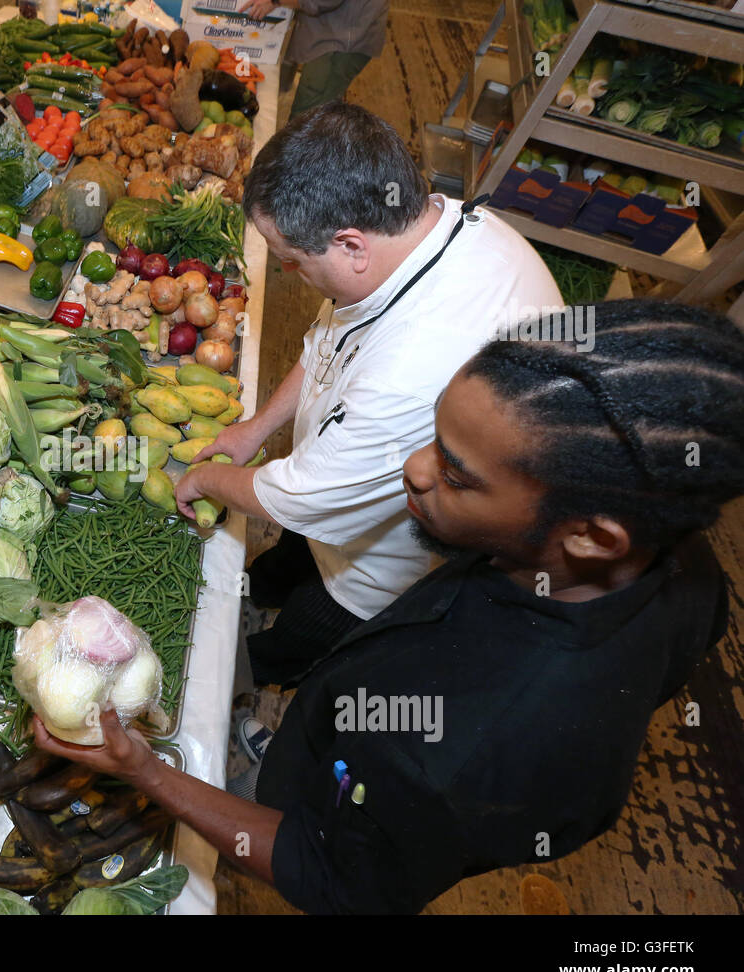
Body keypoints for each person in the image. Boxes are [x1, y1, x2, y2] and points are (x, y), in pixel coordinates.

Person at [40, 300, 742, 913]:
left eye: (457, 473)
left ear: (590, 536)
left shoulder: (464, 753)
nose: (415, 467)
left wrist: (147, 772)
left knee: (305, 795)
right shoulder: (679, 557)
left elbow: (324, 871)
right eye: (436, 437)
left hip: (354, 803)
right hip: (369, 746)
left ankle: (270, 768)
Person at [174, 102, 560, 686]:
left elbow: (303, 497)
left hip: (379, 571)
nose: (289, 275)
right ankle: (264, 595)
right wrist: (257, 428)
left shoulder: (415, 365)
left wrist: (202, 480)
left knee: (300, 644)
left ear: (351, 245)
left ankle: (259, 697)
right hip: (338, 496)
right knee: (282, 566)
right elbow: (331, 340)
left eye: (294, 263)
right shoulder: (423, 224)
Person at [238, 0, 387, 118]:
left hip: (341, 38)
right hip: (325, 26)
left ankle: (297, 154)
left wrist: (274, 1)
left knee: (308, 116)